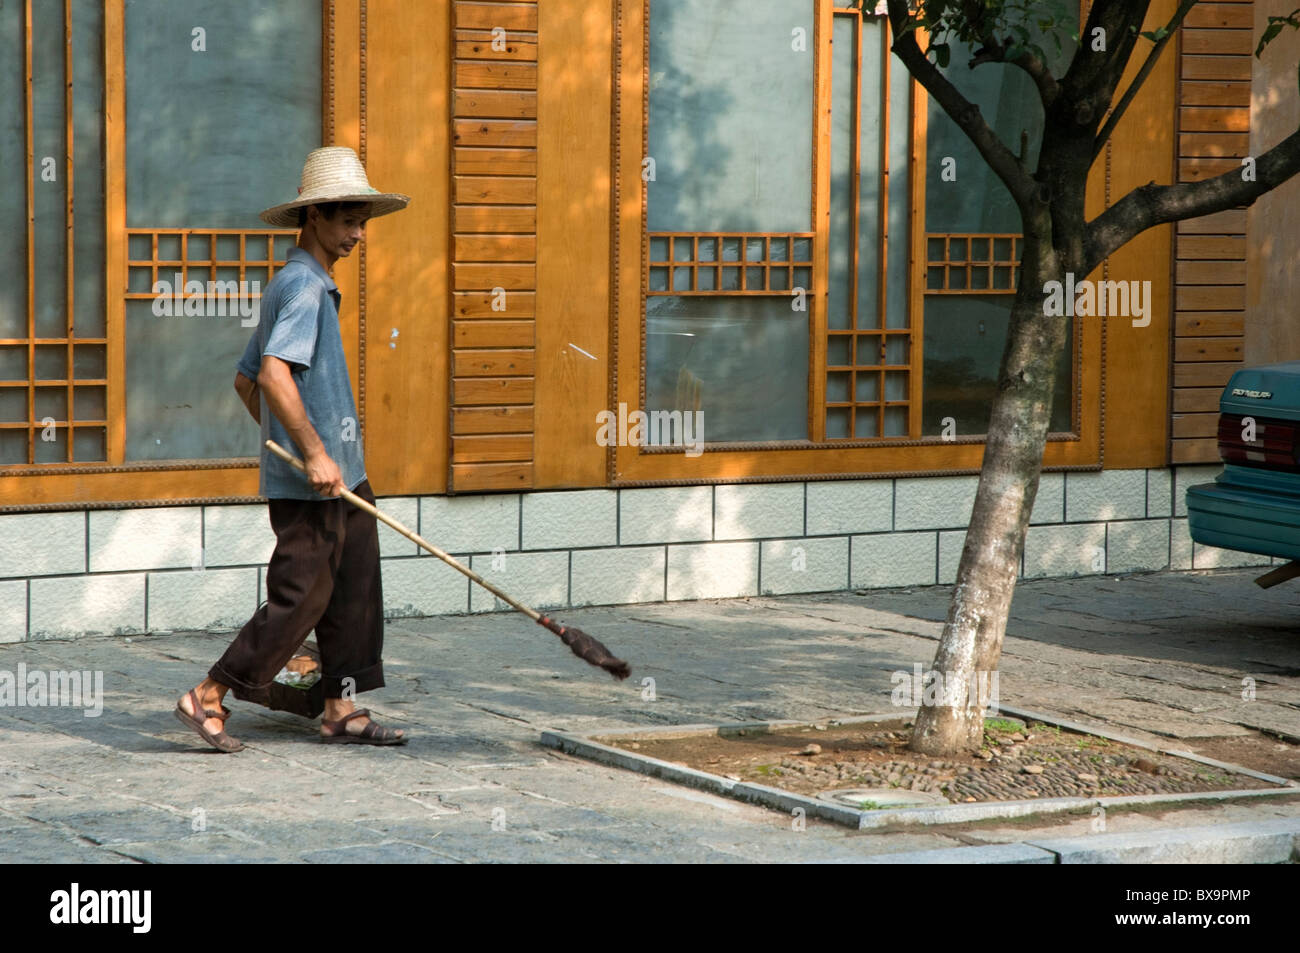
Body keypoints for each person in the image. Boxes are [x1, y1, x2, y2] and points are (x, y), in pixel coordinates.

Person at [174, 146, 410, 751]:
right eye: (347, 221)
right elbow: (273, 375)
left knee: (354, 588)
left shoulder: (301, 283)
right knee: (302, 593)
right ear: (314, 220)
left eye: (363, 221)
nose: (358, 234)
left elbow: (243, 378)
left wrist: (301, 444)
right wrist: (308, 451)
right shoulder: (303, 287)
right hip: (316, 478)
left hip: (342, 474)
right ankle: (207, 695)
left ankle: (339, 707)